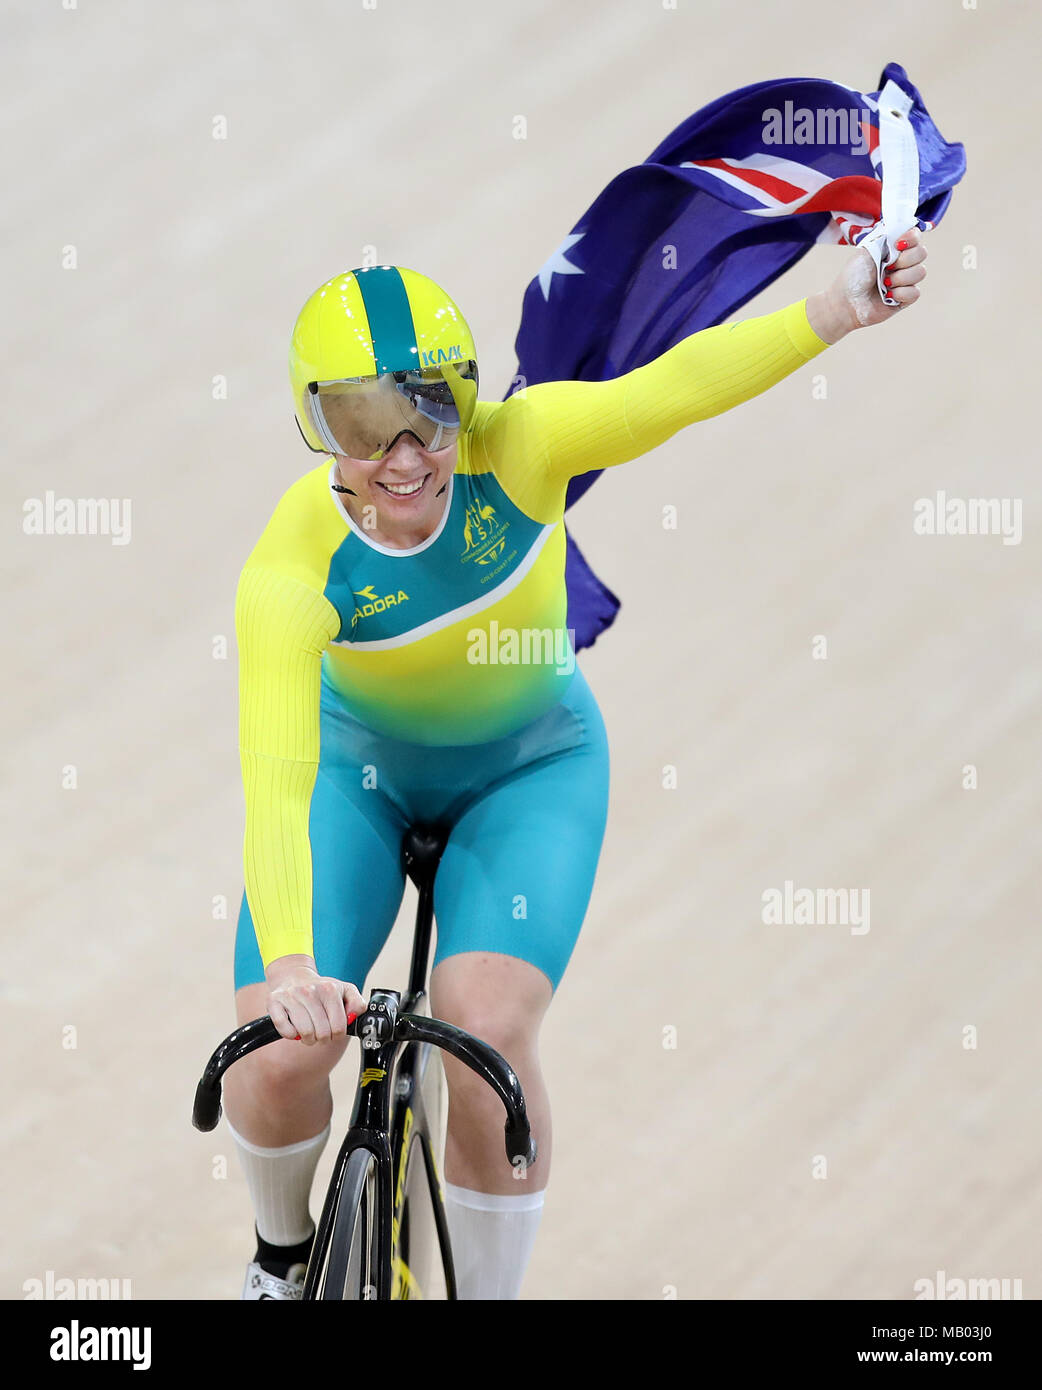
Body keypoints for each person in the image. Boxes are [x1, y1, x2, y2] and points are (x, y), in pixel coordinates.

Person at [223, 236, 927, 1300]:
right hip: (355, 783)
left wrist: (836, 305)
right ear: (316, 429)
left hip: (527, 771)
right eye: (363, 425)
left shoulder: (526, 445)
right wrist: (287, 975)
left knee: (483, 1033)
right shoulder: (290, 565)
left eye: (430, 411)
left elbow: (672, 388)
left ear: (470, 403)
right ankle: (279, 1257)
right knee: (274, 1056)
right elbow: (276, 781)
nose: (404, 453)